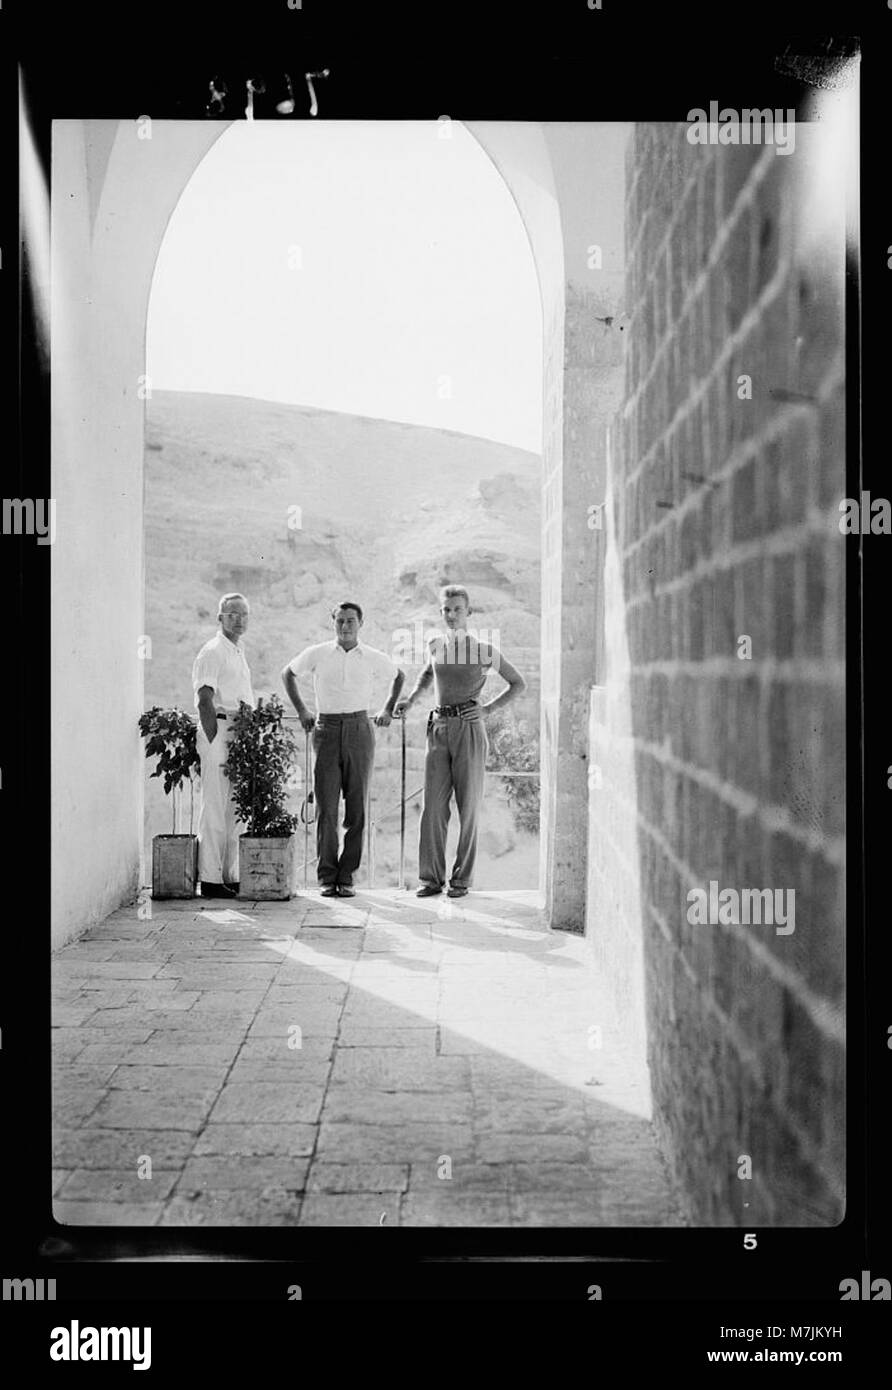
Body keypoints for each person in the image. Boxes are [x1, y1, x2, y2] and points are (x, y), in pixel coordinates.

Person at [395, 585, 526, 898]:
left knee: (468, 807)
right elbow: (428, 674)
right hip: (438, 728)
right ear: (441, 613)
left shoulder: (484, 650)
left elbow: (518, 683)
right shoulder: (437, 645)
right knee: (433, 808)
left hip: (469, 731)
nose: (451, 615)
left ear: (469, 612)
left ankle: (461, 880)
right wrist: (411, 700)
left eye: (457, 609)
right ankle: (430, 879)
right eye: (446, 610)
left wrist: (487, 709)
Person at [282, 602, 405, 897]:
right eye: (340, 620)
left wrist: (388, 708)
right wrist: (302, 710)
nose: (345, 626)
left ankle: (347, 876)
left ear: (360, 623)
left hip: (360, 729)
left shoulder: (371, 656)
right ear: (333, 622)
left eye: (351, 621)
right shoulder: (319, 652)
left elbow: (398, 676)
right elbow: (288, 673)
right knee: (326, 806)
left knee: (357, 806)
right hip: (325, 729)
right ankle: (327, 876)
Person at [192, 593, 254, 899]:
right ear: (220, 617)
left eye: (243, 614)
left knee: (232, 807)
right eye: (232, 614)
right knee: (215, 803)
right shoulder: (213, 651)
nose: (239, 619)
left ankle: (229, 874)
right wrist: (215, 737)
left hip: (237, 730)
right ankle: (210, 878)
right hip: (219, 726)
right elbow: (204, 698)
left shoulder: (237, 650)